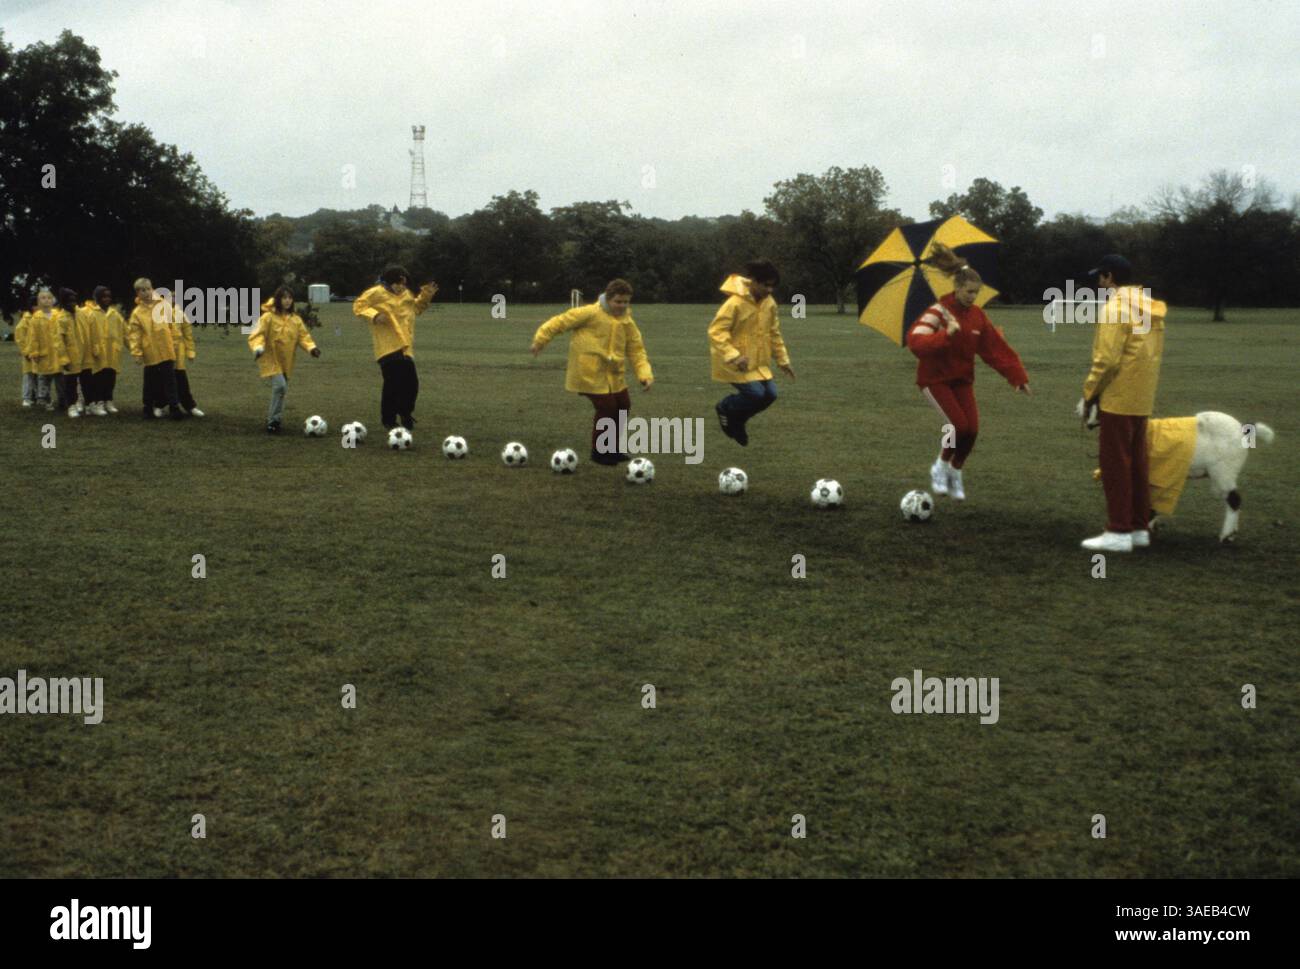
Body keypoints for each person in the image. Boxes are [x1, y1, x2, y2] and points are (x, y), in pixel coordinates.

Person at [906, 243, 1030, 501]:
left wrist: (1017, 378)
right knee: (957, 426)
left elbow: (996, 350)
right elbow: (915, 342)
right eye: (969, 292)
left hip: (961, 381)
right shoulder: (938, 312)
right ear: (957, 288)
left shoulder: (977, 317)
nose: (972, 297)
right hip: (934, 380)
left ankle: (955, 471)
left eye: (976, 293)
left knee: (971, 430)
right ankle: (939, 467)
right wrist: (945, 334)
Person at [1079, 254, 1167, 552]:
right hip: (1142, 396)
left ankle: (1118, 530)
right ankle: (1139, 527)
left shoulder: (1115, 307)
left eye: (1100, 278)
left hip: (1118, 397)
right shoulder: (1148, 307)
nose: (1098, 284)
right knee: (1138, 463)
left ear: (1109, 277)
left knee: (1115, 464)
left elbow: (1106, 360)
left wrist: (1089, 392)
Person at [530, 278, 654, 465]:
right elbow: (560, 322)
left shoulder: (627, 322)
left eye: (626, 302)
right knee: (607, 407)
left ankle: (612, 448)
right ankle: (599, 452)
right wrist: (540, 340)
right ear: (608, 299)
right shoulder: (589, 313)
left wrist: (644, 375)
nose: (622, 306)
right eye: (618, 301)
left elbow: (636, 350)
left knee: (623, 405)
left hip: (614, 375)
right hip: (589, 373)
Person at [708, 260, 794, 447]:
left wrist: (782, 360)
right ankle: (725, 408)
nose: (770, 289)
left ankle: (737, 421)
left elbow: (773, 333)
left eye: (773, 286)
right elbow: (716, 331)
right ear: (753, 281)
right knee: (755, 394)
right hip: (733, 361)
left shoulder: (769, 303)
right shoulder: (734, 303)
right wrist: (734, 355)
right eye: (766, 285)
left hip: (757, 363)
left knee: (770, 394)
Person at [352, 266, 436, 431]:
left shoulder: (407, 296)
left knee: (412, 384)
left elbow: (417, 308)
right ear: (388, 282)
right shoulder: (376, 293)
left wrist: (426, 295)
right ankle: (389, 419)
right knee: (393, 383)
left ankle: (405, 412)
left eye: (403, 283)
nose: (401, 287)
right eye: (397, 283)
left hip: (405, 347)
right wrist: (375, 315)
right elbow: (358, 306)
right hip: (386, 346)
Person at [248, 287, 321, 433]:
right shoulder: (268, 317)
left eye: (289, 297)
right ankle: (273, 421)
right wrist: (258, 348)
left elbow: (303, 337)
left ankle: (275, 421)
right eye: (284, 297)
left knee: (282, 390)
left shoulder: (296, 319)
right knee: (280, 386)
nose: (287, 300)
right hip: (270, 358)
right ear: (278, 299)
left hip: (286, 361)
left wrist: (312, 348)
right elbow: (257, 334)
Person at [126, 277, 185, 420]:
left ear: (152, 289)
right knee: (150, 382)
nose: (145, 293)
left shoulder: (164, 305)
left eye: (147, 289)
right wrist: (137, 353)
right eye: (141, 290)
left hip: (166, 348)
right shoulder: (137, 313)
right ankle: (147, 408)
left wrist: (175, 344)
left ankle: (174, 407)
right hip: (150, 352)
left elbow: (173, 326)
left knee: (170, 380)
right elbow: (135, 335)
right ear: (137, 293)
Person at [20, 289, 65, 410]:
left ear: (53, 300)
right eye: (43, 298)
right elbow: (32, 337)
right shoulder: (36, 318)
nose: (47, 300)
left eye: (49, 298)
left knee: (60, 379)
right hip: (44, 355)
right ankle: (44, 400)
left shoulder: (59, 315)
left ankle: (63, 401)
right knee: (44, 379)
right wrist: (34, 352)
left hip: (58, 354)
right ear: (39, 302)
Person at [86, 286, 126, 414]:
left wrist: (134, 348)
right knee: (99, 378)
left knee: (110, 377)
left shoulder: (115, 314)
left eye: (109, 296)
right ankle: (98, 402)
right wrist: (93, 347)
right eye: (104, 296)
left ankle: (109, 400)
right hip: (98, 352)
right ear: (97, 299)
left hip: (112, 351)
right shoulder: (92, 314)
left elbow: (125, 332)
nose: (107, 299)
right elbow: (88, 334)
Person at [55, 288, 91, 416]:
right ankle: (71, 405)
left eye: (74, 301)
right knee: (70, 382)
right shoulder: (61, 319)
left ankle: (86, 403)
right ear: (63, 303)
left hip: (85, 354)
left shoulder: (81, 314)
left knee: (86, 381)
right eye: (69, 301)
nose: (72, 304)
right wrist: (64, 359)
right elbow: (59, 341)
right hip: (71, 355)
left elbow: (87, 332)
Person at [170, 295, 204, 417]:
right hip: (163, 352)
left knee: (181, 380)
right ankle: (159, 405)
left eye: (174, 297)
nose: (172, 300)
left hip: (178, 353)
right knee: (162, 380)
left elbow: (187, 335)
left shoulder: (181, 314)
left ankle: (190, 406)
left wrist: (190, 351)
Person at [15, 295, 38, 408]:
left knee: (38, 376)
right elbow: (20, 339)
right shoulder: (25, 321)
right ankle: (26, 398)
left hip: (39, 354)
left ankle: (36, 397)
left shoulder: (39, 318)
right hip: (29, 354)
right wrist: (26, 353)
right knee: (29, 376)